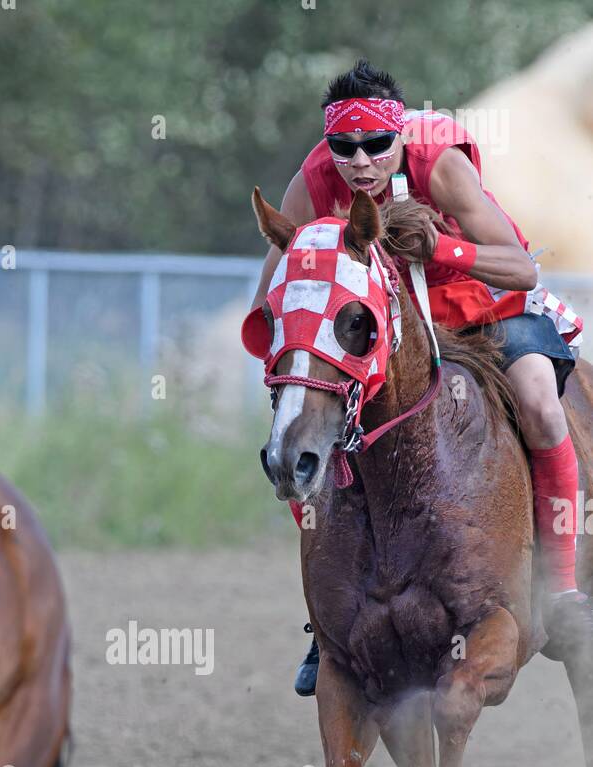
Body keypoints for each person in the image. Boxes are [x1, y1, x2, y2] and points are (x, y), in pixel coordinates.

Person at [250, 58, 586, 696]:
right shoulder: (315, 179)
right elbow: (276, 280)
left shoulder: (440, 166)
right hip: (386, 331)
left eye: (375, 145)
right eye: (344, 147)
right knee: (310, 430)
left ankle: (564, 589)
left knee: (542, 403)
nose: (360, 162)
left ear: (398, 137)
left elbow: (522, 269)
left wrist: (439, 249)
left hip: (480, 307)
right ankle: (330, 627)